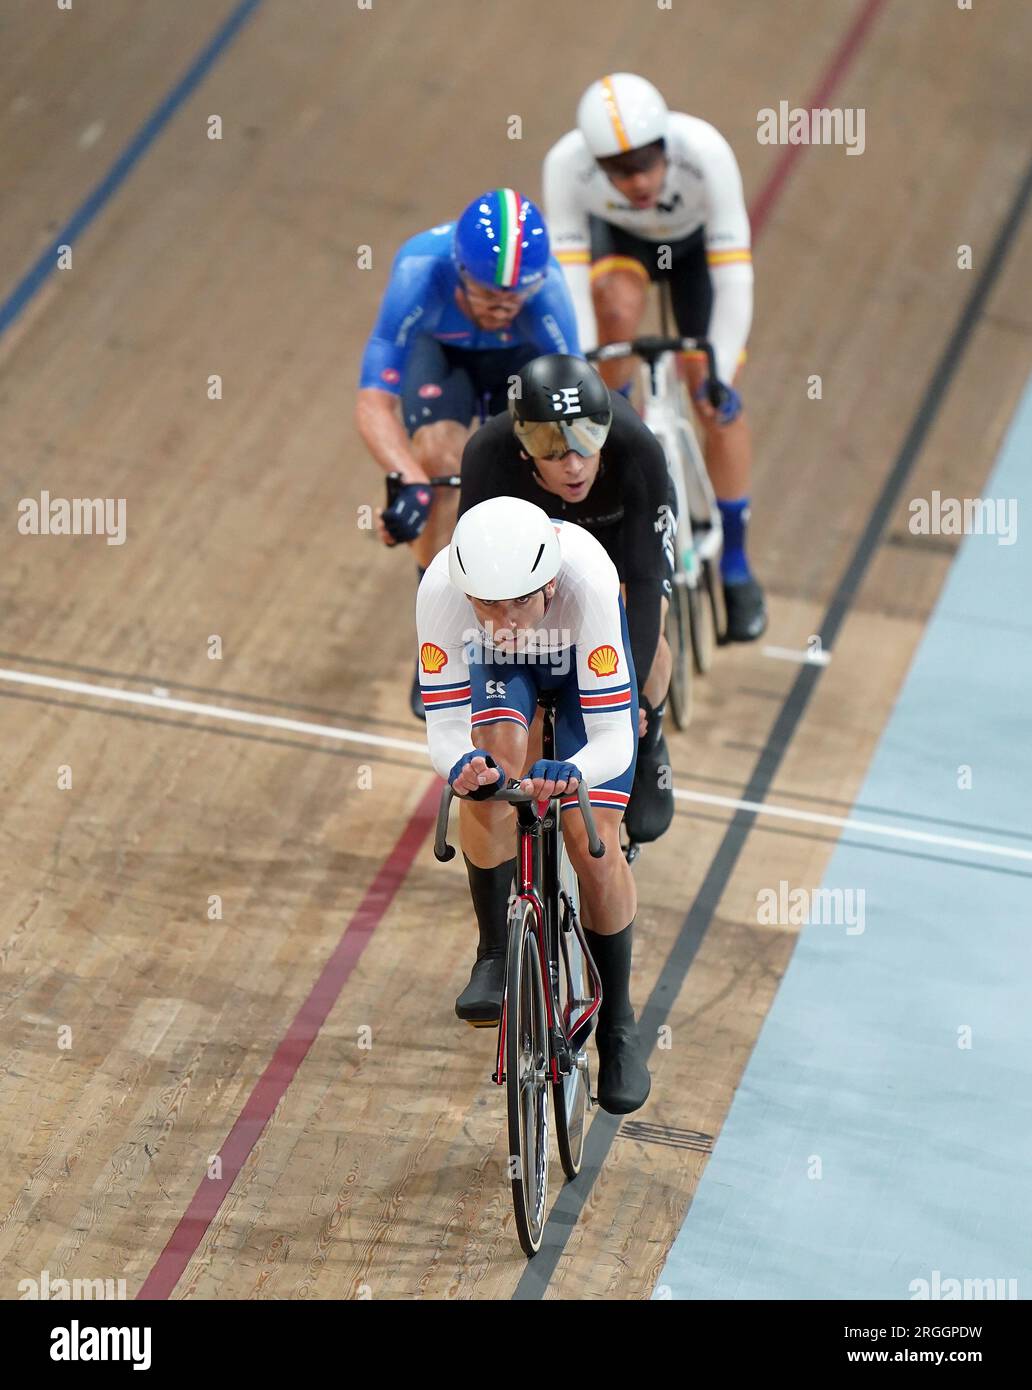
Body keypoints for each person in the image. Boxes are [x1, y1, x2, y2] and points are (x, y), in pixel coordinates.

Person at [416, 495, 651, 1115]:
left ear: (549, 583)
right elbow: (442, 726)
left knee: (589, 835)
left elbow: (613, 738)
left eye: (519, 602)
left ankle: (619, 1026)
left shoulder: (590, 580)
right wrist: (461, 765)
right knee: (490, 768)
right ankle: (495, 952)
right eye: (488, 604)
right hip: (500, 673)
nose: (506, 620)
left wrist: (571, 770)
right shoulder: (442, 588)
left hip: (581, 675)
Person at [543, 73, 766, 642]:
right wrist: (581, 372)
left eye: (646, 163)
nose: (638, 182)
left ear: (667, 145)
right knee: (612, 315)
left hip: (696, 254)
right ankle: (609, 442)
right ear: (597, 163)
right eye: (620, 171)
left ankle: (737, 565)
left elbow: (734, 273)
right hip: (621, 245)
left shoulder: (706, 152)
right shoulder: (565, 164)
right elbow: (570, 279)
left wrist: (718, 368)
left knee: (714, 396)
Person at [356, 189, 582, 717]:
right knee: (438, 463)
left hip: (521, 357)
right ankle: (438, 639)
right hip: (444, 357)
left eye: (516, 295)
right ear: (459, 270)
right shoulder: (419, 270)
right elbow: (373, 401)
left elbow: (574, 394)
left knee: (541, 459)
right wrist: (408, 477)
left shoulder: (548, 295)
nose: (503, 306)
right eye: (487, 294)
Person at [458, 353, 675, 846]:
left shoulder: (637, 448)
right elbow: (473, 574)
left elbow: (643, 582)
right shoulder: (487, 455)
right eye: (554, 454)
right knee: (522, 639)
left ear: (604, 433)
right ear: (524, 450)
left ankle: (653, 743)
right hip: (531, 554)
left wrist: (631, 698)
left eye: (585, 447)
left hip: (621, 538)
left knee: (642, 632)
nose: (574, 466)